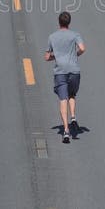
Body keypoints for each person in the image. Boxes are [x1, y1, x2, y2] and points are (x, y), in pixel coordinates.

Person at [45, 11, 86, 143]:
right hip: (74, 70)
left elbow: (47, 57)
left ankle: (66, 131)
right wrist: (75, 55)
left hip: (60, 71)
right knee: (72, 95)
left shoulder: (52, 37)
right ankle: (73, 117)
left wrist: (55, 56)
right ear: (69, 22)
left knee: (63, 99)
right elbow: (82, 48)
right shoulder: (75, 35)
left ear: (59, 22)